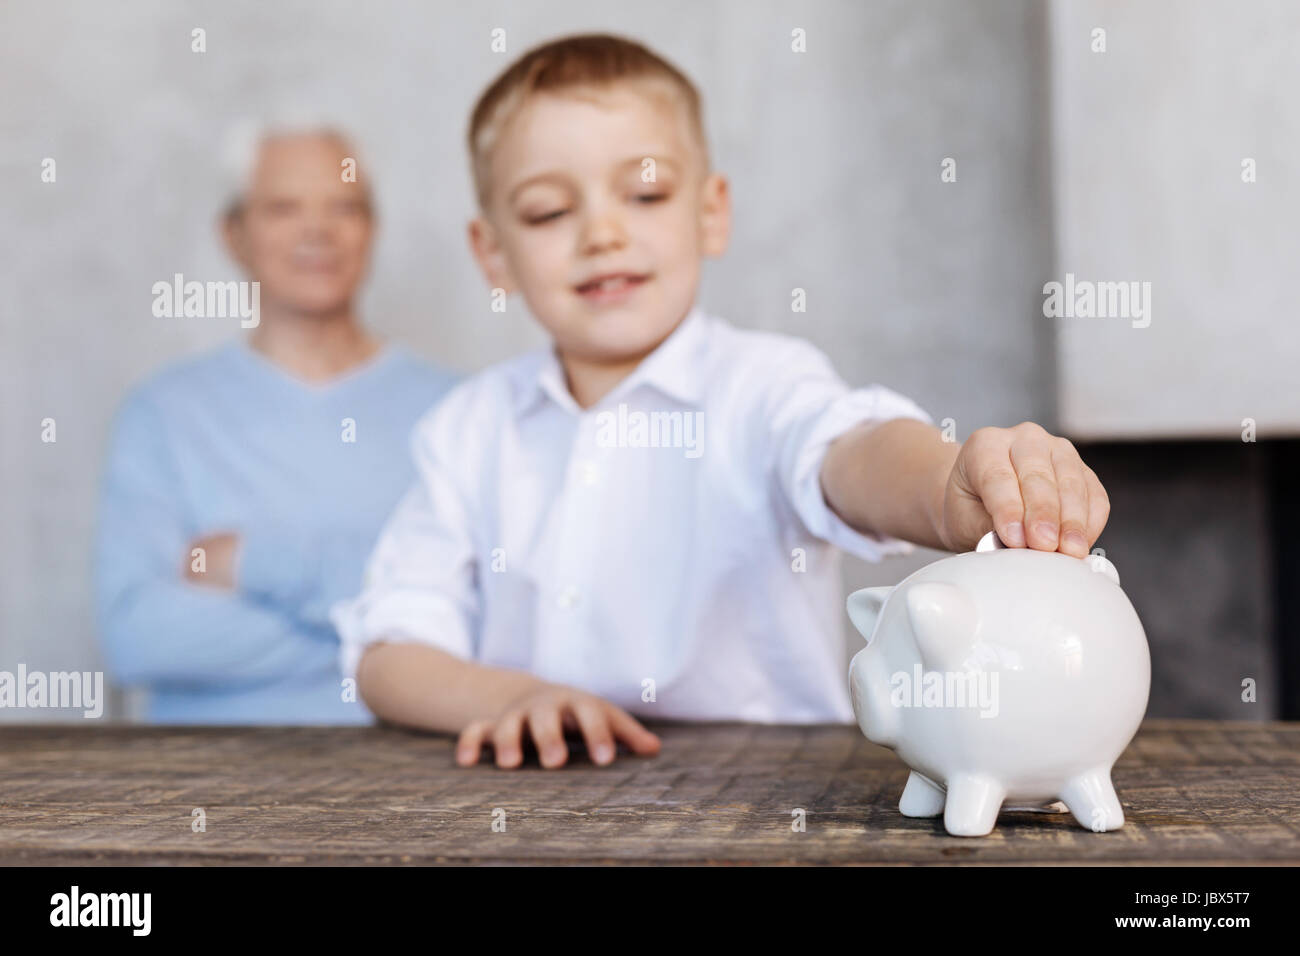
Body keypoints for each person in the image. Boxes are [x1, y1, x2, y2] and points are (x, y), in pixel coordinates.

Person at [331, 34, 1111, 765]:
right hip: (535, 807)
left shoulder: (762, 386)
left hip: (763, 804)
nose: (602, 233)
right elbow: (388, 652)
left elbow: (850, 455)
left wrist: (947, 488)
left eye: (645, 193)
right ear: (493, 253)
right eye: (548, 211)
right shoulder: (467, 430)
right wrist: (512, 698)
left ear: (710, 213)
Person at [96, 125, 457, 722]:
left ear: (372, 229)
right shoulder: (162, 412)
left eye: (344, 207)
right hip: (197, 775)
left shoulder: (457, 412)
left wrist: (252, 561)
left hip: (407, 772)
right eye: (284, 208)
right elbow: (136, 636)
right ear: (234, 235)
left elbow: (478, 617)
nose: (318, 230)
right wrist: (384, 634)